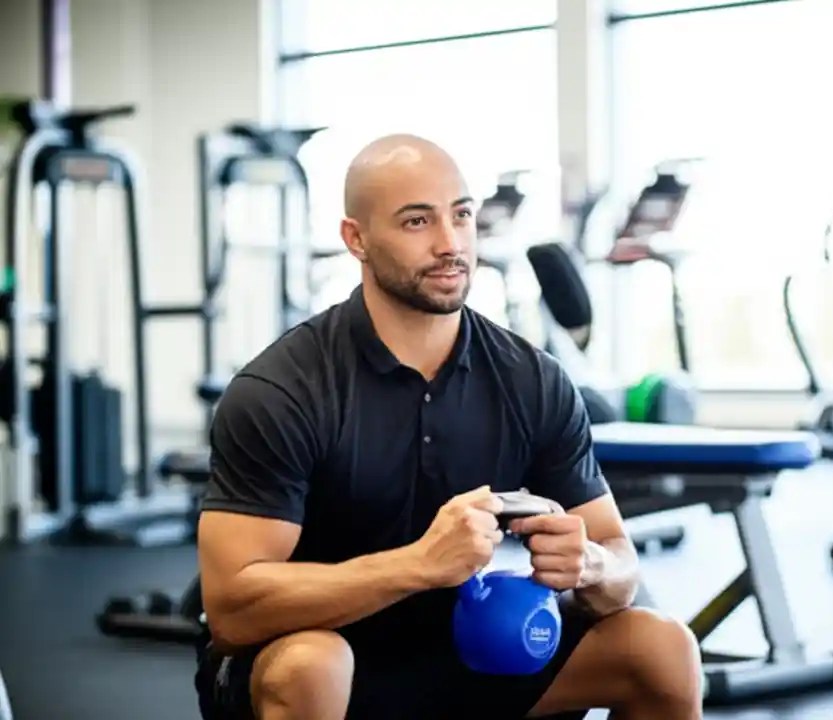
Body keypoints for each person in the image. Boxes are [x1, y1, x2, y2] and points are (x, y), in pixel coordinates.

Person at [193, 134, 703, 720]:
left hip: (475, 652)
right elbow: (232, 611)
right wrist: (417, 564)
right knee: (313, 663)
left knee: (662, 649)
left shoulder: (532, 379)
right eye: (416, 222)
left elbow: (621, 565)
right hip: (331, 666)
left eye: (460, 215)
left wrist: (588, 564)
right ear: (355, 239)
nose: (449, 243)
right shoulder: (283, 391)